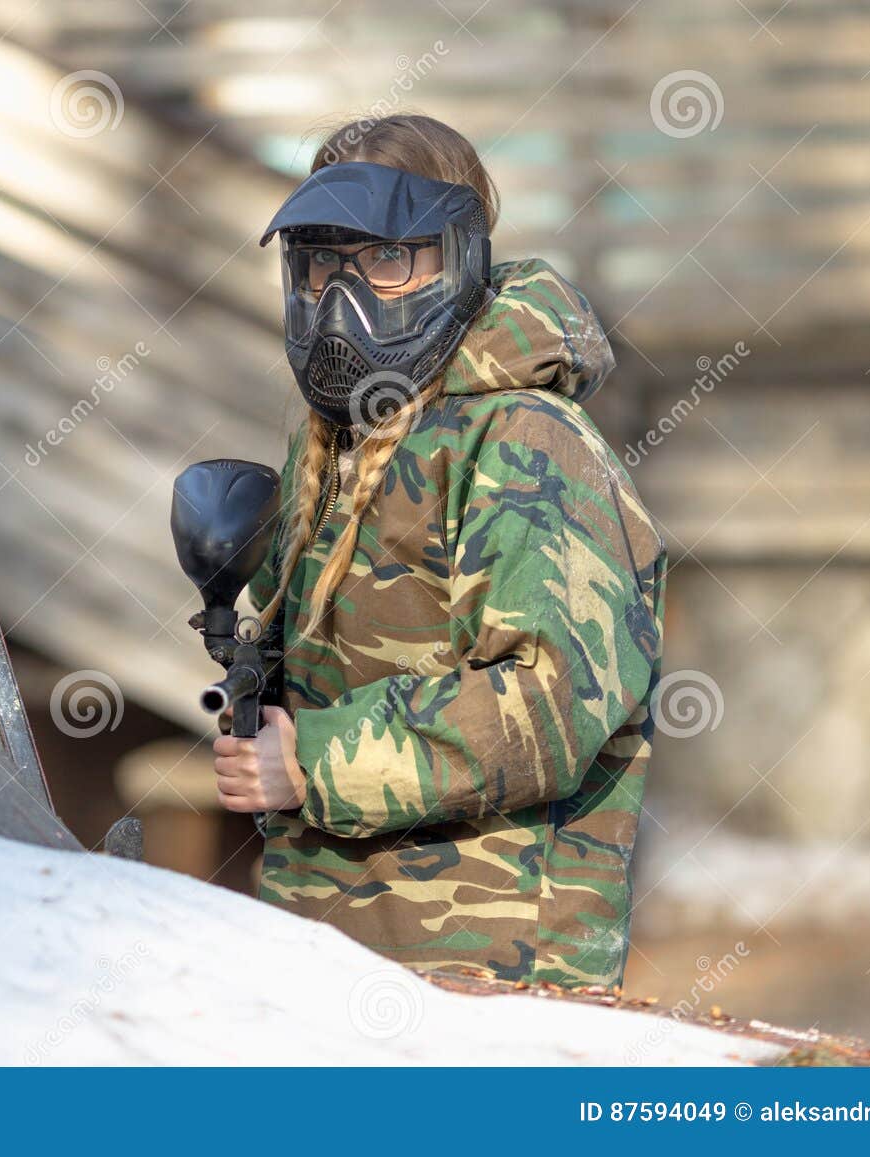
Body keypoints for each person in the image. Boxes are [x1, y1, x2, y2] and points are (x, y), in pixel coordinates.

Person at [210, 115, 667, 988]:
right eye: (324, 265)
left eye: (386, 261)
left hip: (488, 979)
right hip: (332, 953)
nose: (348, 299)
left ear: (457, 257)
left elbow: (548, 701)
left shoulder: (525, 441)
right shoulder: (345, 447)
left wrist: (309, 760)